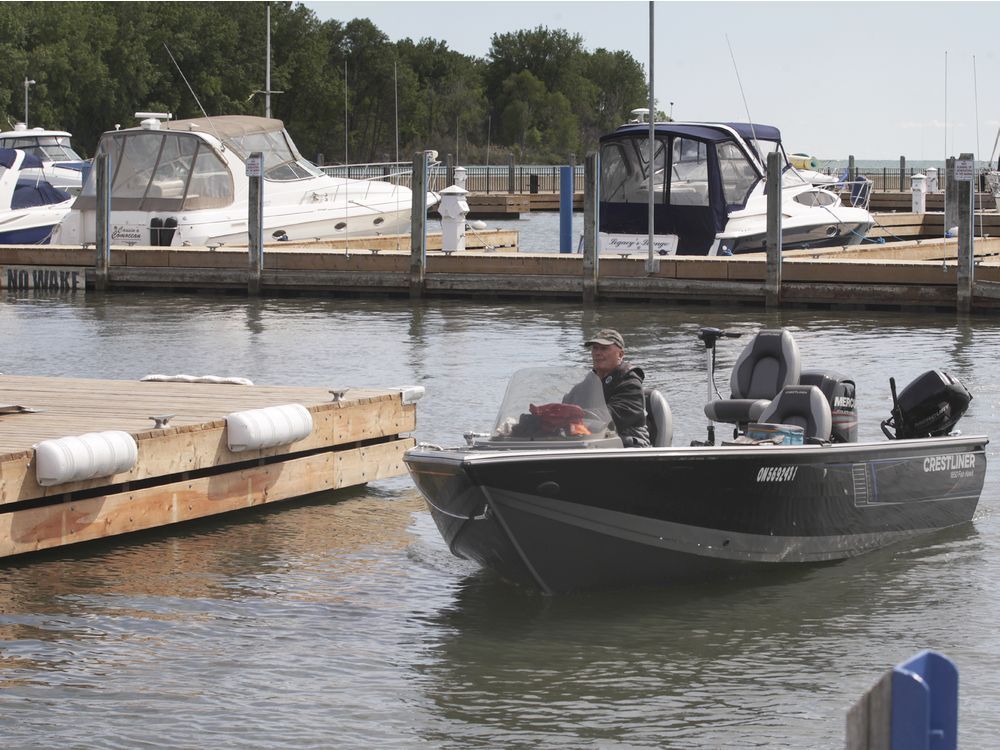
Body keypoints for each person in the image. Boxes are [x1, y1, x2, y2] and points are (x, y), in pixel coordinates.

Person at [579, 329, 650, 448]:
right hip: (595, 441)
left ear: (620, 355)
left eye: (604, 348)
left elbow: (613, 415)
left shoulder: (630, 383)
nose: (597, 353)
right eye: (595, 348)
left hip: (630, 447)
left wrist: (579, 415)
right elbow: (569, 402)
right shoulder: (589, 382)